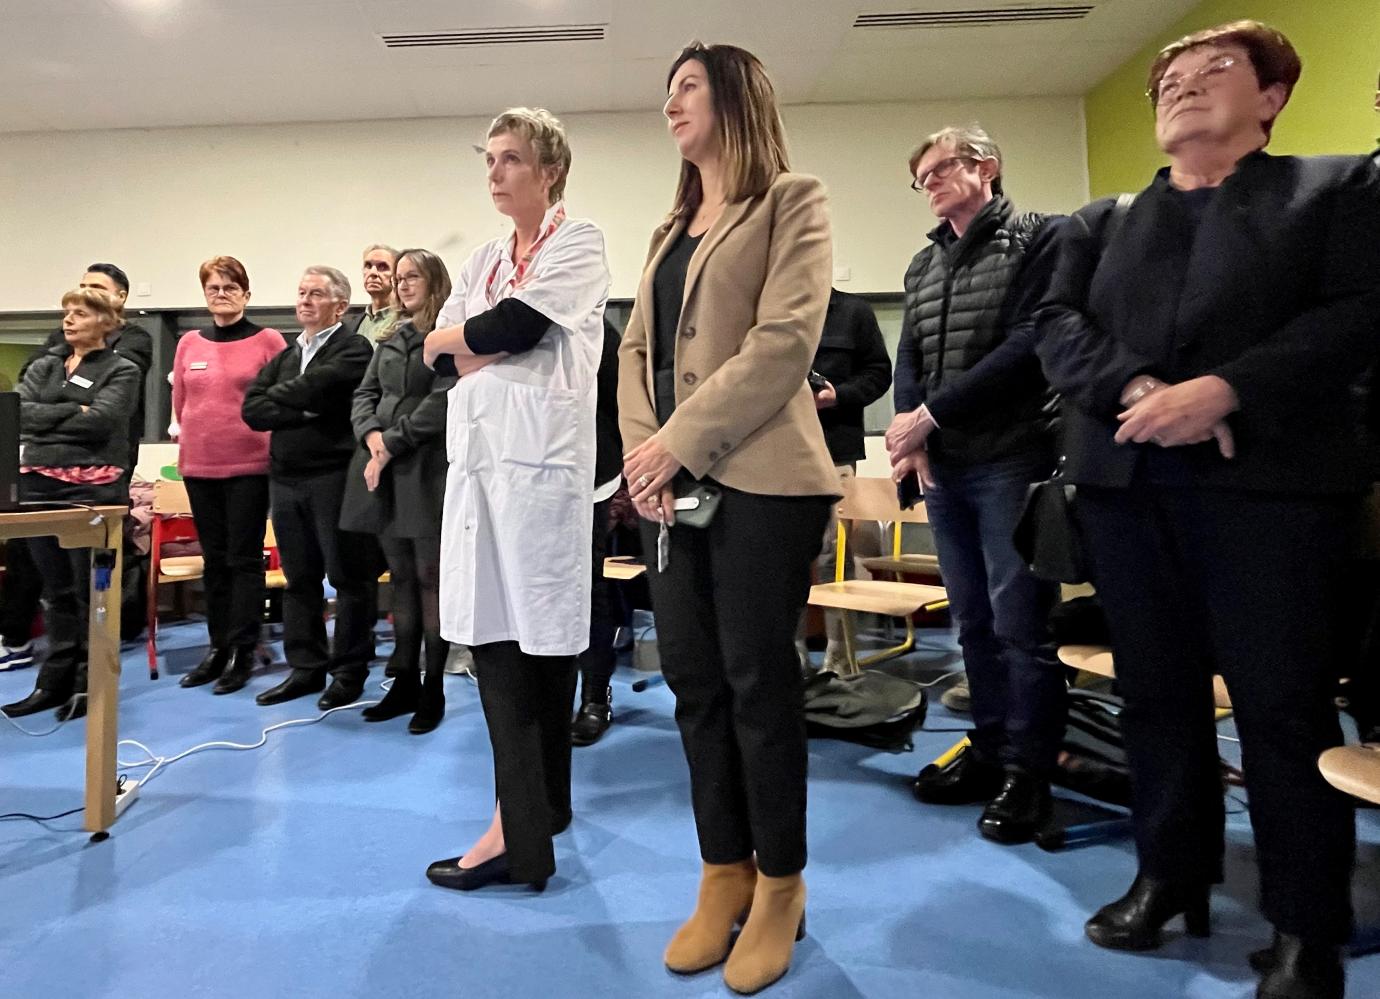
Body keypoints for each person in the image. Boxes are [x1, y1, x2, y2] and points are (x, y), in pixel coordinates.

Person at [1035, 21, 1380, 999]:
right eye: (1168, 81)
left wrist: (1225, 389)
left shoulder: (1339, 189)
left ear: (1272, 97)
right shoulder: (1100, 222)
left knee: (1282, 710)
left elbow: (1360, 313)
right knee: (1155, 699)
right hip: (1130, 490)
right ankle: (1168, 875)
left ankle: (1308, 929)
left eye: (1212, 71)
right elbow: (1058, 327)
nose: (1182, 88)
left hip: (1273, 496)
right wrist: (1143, 391)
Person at [616, 43, 837, 994]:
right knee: (695, 683)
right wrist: (643, 457)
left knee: (757, 682)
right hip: (671, 486)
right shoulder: (671, 228)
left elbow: (783, 343)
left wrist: (679, 445)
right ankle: (724, 873)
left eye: (689, 89)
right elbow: (632, 353)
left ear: (737, 98)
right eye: (667, 91)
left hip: (763, 481)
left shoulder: (793, 199)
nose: (670, 104)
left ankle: (781, 883)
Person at [419, 107, 609, 895]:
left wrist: (468, 343)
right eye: (489, 160)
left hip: (541, 476)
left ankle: (517, 836)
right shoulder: (487, 256)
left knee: (539, 647)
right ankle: (539, 814)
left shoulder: (579, 240)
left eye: (510, 159)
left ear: (549, 170)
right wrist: (462, 343)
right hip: (483, 472)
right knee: (499, 642)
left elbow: (520, 325)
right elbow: (436, 347)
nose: (494, 173)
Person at [884, 124, 1068, 845]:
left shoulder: (1036, 239)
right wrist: (909, 434)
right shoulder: (922, 266)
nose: (928, 183)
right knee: (973, 623)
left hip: (1012, 459)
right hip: (946, 467)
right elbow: (910, 355)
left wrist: (931, 413)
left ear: (985, 166)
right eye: (919, 176)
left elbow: (1032, 344)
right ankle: (990, 752)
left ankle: (1030, 773)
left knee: (1022, 625)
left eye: (939, 169)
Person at [1, 263, 153, 667]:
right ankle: (55, 679)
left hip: (91, 492)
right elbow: (19, 413)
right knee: (55, 590)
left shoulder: (122, 368)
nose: (68, 320)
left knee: (91, 593)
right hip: (37, 489)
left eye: (80, 313)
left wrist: (53, 416)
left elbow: (102, 420)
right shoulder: (44, 365)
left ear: (106, 322)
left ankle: (90, 683)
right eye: (66, 312)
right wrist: (73, 410)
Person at [243, 267, 377, 710]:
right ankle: (305, 668)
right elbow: (252, 409)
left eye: (315, 294)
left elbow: (320, 385)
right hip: (286, 479)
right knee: (299, 580)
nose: (304, 301)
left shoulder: (354, 348)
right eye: (301, 293)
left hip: (334, 478)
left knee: (347, 577)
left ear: (340, 305)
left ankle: (349, 671)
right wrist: (300, 410)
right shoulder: (285, 353)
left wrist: (284, 399)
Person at [343, 249, 454, 734]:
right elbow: (364, 394)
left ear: (434, 283)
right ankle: (403, 680)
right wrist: (371, 438)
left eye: (413, 277)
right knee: (400, 577)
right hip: (379, 466)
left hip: (424, 467)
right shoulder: (390, 336)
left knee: (430, 579)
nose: (403, 284)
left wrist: (391, 443)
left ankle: (434, 689)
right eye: (400, 276)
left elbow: (444, 400)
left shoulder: (449, 334)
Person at [172, 257, 286, 695]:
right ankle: (217, 647)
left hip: (249, 466)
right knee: (214, 561)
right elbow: (182, 404)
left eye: (229, 287)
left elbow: (281, 398)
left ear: (246, 294)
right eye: (213, 287)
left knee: (243, 559)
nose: (220, 294)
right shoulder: (188, 343)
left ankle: (243, 648)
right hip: (199, 464)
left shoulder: (268, 340)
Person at [798, 288, 891, 671]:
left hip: (835, 448)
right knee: (781, 557)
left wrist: (838, 395)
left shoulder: (853, 312)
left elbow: (879, 373)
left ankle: (841, 652)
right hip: (773, 453)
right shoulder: (767, 304)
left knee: (835, 554)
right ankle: (791, 651)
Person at [570, 317, 623, 746]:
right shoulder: (511, 321)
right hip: (526, 479)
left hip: (590, 475)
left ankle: (595, 697)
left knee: (588, 591)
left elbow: (618, 405)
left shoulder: (599, 331)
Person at [352, 244, 400, 346]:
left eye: (383, 267)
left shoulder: (405, 321)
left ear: (397, 275)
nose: (373, 273)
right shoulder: (352, 324)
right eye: (368, 266)